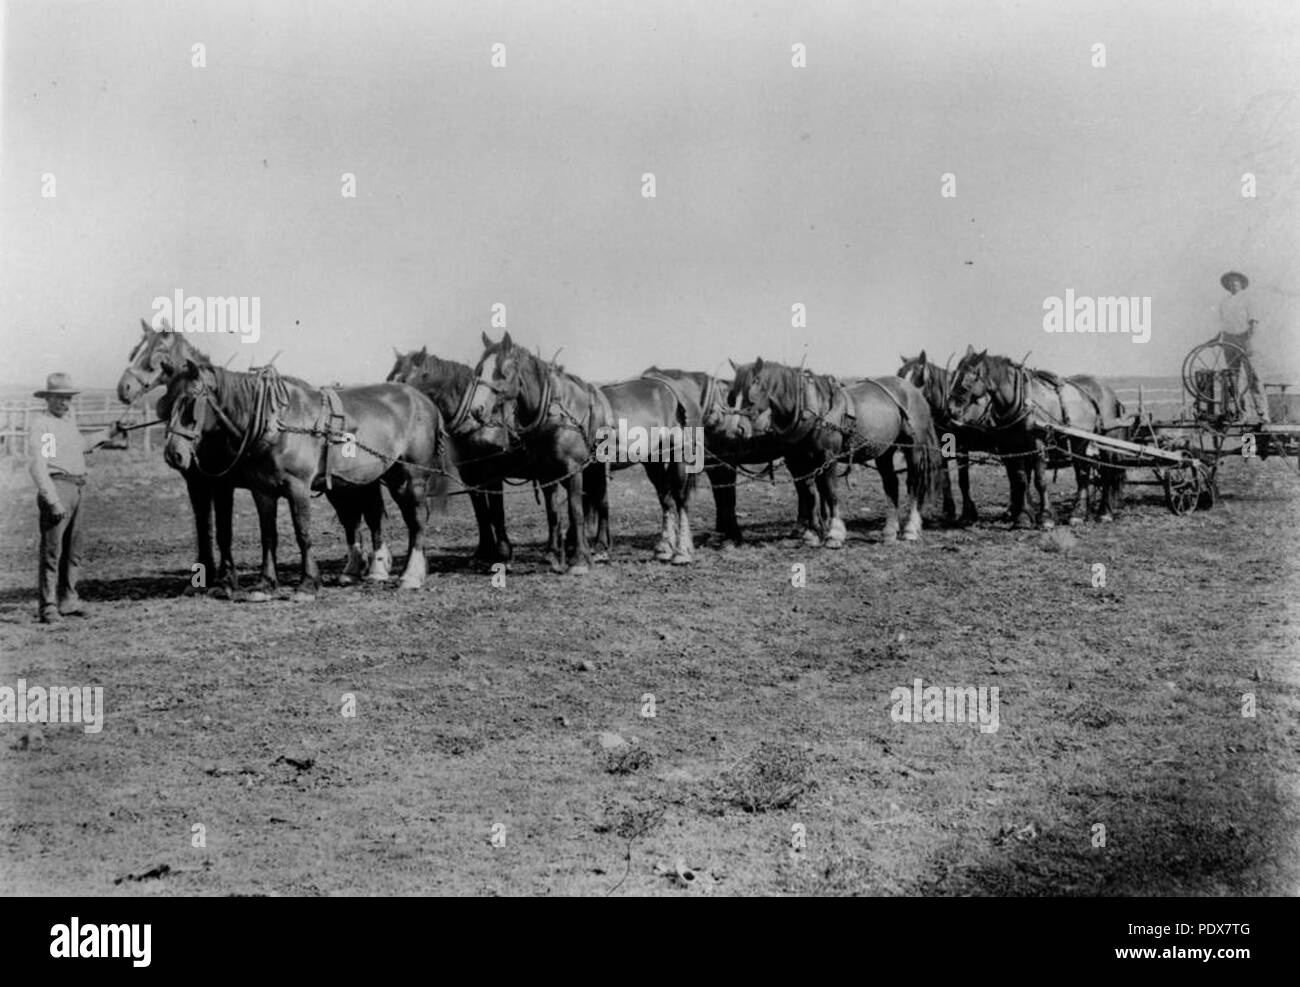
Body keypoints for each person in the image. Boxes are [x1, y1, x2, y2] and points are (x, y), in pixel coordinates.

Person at [28, 373, 128, 623]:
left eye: (68, 398)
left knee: (74, 551)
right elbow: (40, 465)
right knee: (53, 552)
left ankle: (68, 600)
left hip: (78, 488)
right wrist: (52, 500)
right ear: (48, 398)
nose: (64, 403)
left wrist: (109, 432)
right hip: (59, 487)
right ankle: (48, 605)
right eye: (59, 398)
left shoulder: (67, 422)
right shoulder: (45, 425)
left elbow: (80, 445)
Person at [1215, 271, 1270, 423]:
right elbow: (1222, 325)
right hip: (1228, 340)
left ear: (1241, 284)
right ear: (1227, 286)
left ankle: (1262, 413)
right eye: (1230, 283)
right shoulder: (1224, 302)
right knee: (1234, 379)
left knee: (1254, 376)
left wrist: (1249, 339)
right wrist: (1216, 338)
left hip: (1245, 338)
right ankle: (1242, 413)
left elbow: (1254, 322)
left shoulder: (1248, 299)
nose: (1233, 285)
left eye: (1236, 282)